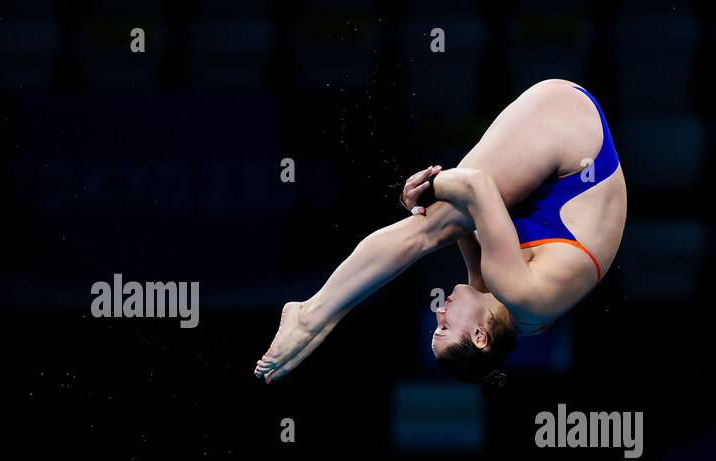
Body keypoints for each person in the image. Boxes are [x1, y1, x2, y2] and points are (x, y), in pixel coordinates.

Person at [253, 79, 627, 392]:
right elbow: (476, 186)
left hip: (577, 159)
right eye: (445, 327)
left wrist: (428, 200)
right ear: (481, 338)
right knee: (428, 230)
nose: (439, 312)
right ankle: (312, 315)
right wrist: (432, 190)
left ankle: (320, 315)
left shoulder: (506, 309)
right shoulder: (515, 292)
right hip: (573, 134)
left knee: (436, 225)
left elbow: (469, 229)